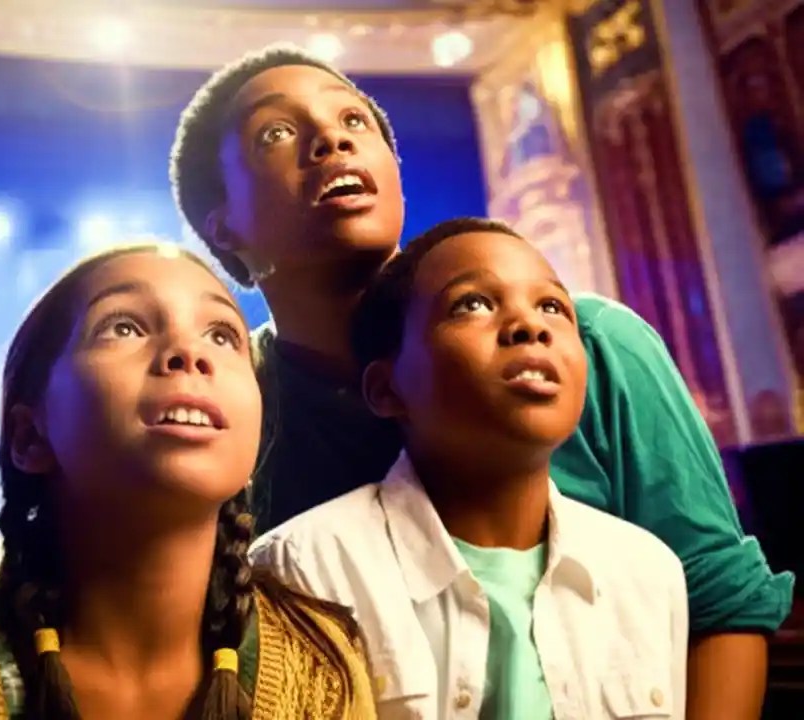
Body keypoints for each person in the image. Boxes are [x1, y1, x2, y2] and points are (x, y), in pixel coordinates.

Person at [168, 43, 793, 718]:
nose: (331, 139)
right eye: (277, 132)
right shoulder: (226, 404)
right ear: (221, 222)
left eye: (356, 122)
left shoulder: (590, 347)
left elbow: (718, 602)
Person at [0, 243, 375, 719]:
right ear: (30, 437)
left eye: (223, 335)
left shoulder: (322, 668)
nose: (188, 354)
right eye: (123, 325)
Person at [253, 217, 689, 718]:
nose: (531, 326)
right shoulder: (304, 570)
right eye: (471, 304)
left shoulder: (647, 574)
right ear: (387, 389)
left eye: (552, 306)